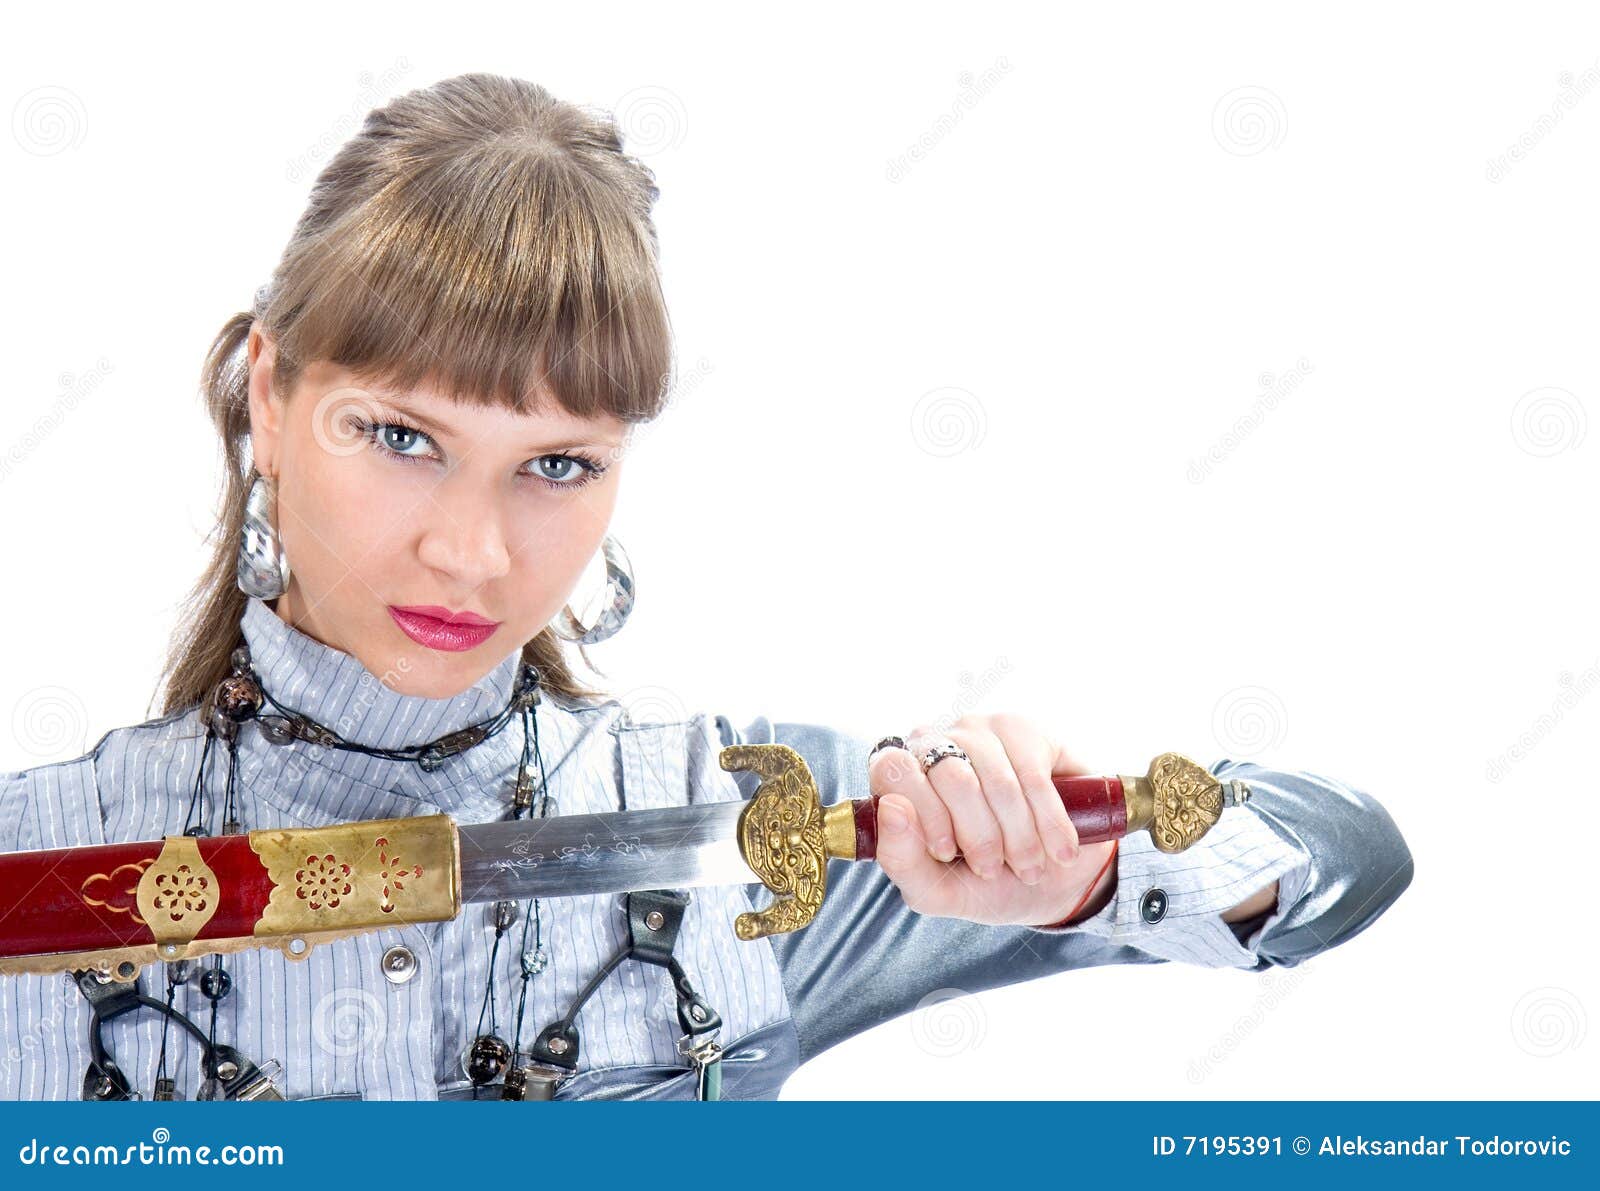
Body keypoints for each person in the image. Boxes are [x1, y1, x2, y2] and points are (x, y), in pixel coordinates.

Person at [0, 72, 1413, 1102]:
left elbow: (1345, 854)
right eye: (401, 437)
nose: (473, 553)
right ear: (269, 392)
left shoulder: (757, 842)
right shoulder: (36, 850)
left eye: (555, 465)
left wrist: (1085, 869)